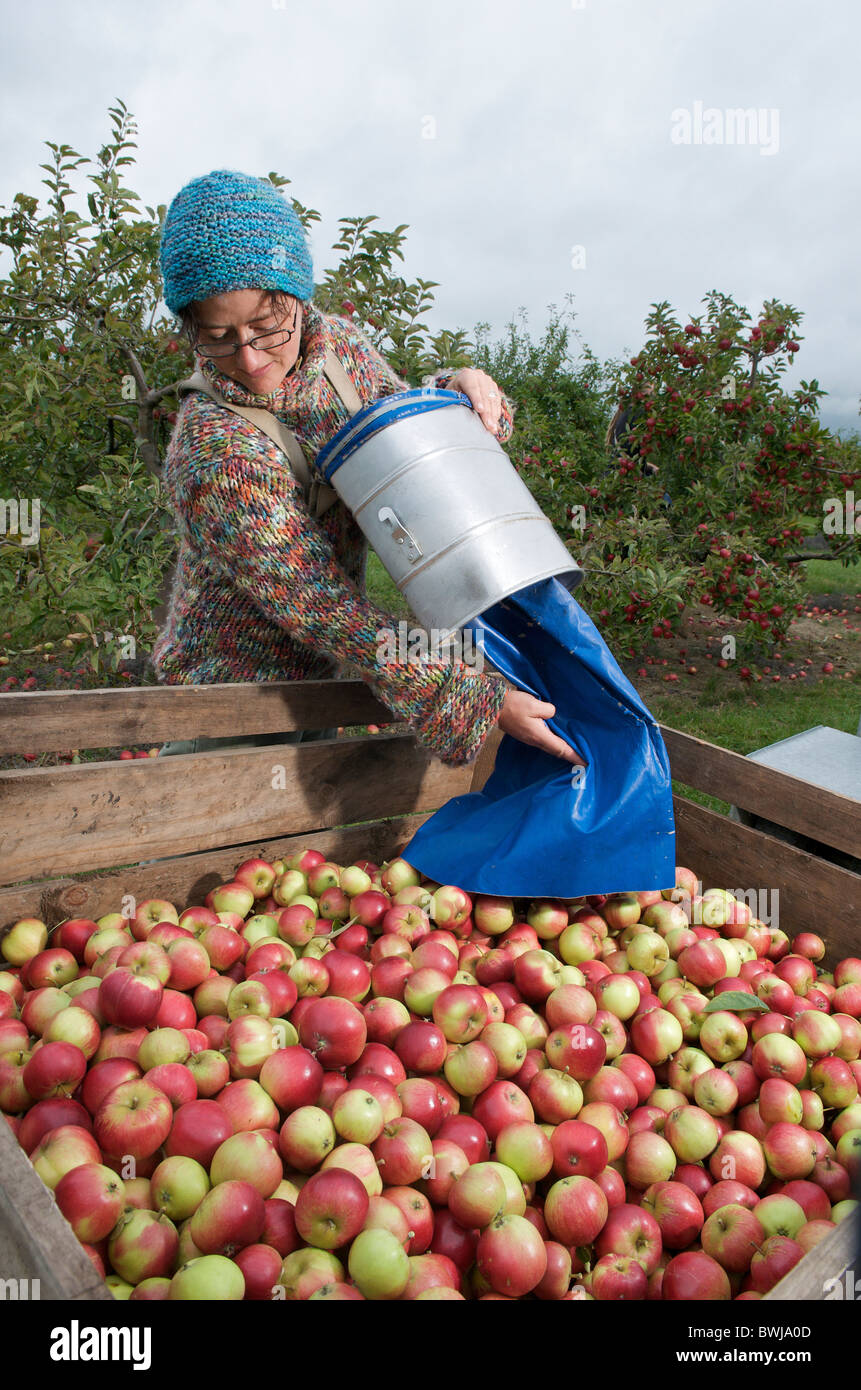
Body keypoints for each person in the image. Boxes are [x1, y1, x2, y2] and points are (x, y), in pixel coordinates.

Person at [152, 169, 579, 768]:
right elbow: (321, 606)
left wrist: (461, 396)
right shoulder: (214, 446)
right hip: (231, 705)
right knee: (204, 860)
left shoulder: (343, 356)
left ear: (298, 298)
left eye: (267, 327)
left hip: (322, 684)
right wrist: (460, 693)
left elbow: (408, 444)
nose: (249, 358)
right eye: (219, 337)